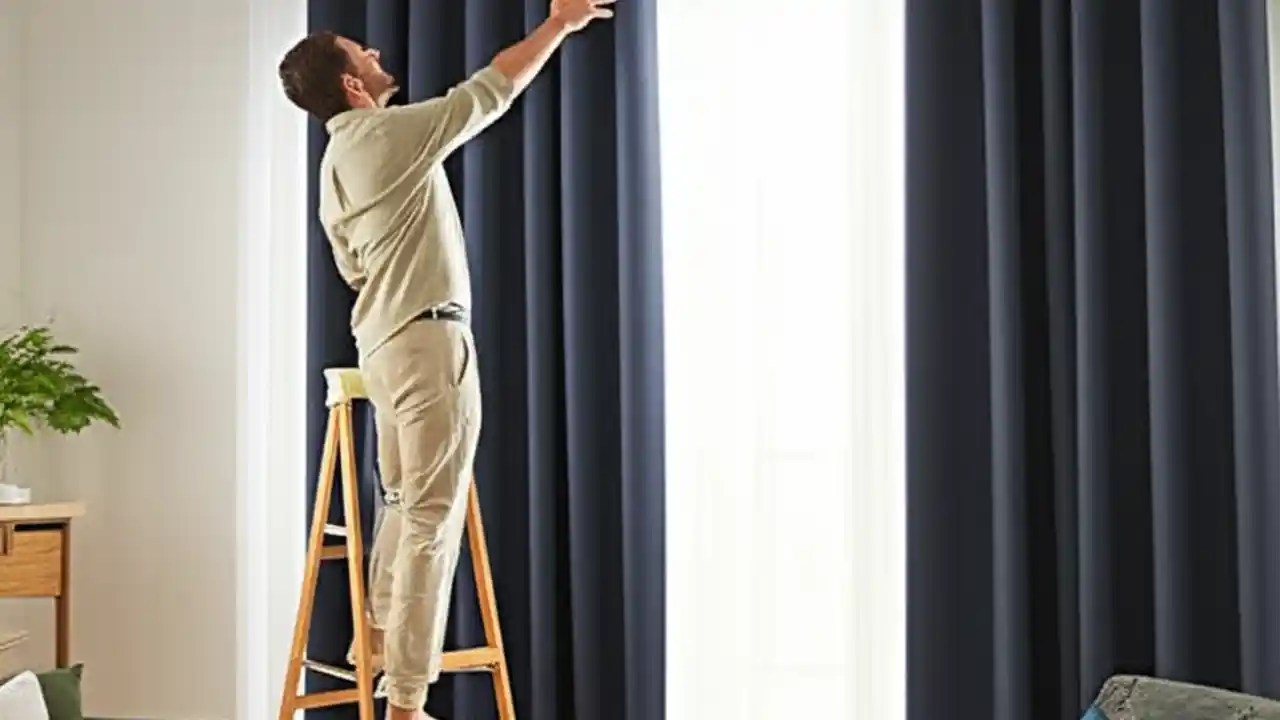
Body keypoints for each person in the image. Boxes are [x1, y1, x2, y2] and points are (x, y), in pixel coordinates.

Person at [278, 1, 615, 718]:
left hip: (383, 345)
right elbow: (488, 91)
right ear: (351, 85)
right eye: (359, 53)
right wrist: (557, 24)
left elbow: (352, 269)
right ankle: (404, 702)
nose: (373, 51)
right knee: (431, 517)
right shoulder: (386, 136)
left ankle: (373, 642)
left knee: (402, 506)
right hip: (427, 341)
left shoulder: (334, 163)